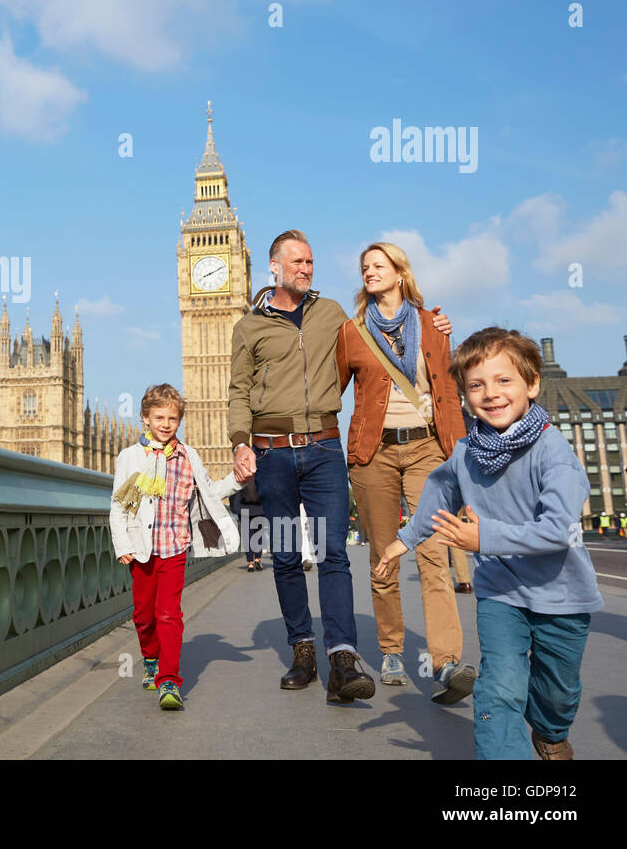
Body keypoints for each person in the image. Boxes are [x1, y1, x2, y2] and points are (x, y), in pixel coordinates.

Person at [229, 230, 453, 703]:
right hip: (272, 452)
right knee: (286, 555)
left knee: (333, 552)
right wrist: (239, 443)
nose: (305, 268)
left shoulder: (333, 315)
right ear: (274, 267)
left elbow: (386, 332)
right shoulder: (249, 327)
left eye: (310, 261)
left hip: (325, 448)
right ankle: (302, 649)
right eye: (297, 261)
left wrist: (433, 322)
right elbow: (239, 391)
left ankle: (343, 657)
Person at [376, 328, 603, 760]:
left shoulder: (553, 451)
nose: (491, 393)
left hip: (563, 594)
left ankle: (551, 733)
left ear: (531, 384)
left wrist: (485, 538)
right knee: (499, 687)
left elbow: (558, 529)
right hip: (501, 591)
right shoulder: (466, 452)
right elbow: (439, 495)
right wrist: (403, 540)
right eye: (477, 385)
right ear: (464, 396)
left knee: (556, 693)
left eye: (503, 380)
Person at [336, 242, 475, 702]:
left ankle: (445, 661)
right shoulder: (352, 332)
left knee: (434, 552)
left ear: (400, 273)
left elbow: (448, 393)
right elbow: (331, 392)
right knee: (384, 554)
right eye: (365, 267)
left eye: (378, 265)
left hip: (426, 449)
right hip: (374, 453)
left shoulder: (433, 325)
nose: (369, 272)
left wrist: (459, 453)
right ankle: (392, 649)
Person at [110, 383, 241, 711]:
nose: (166, 424)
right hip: (142, 549)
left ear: (179, 421)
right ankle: (150, 658)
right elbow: (119, 505)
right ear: (145, 418)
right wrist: (122, 543)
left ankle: (169, 679)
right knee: (144, 615)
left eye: (172, 418)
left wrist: (237, 479)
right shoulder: (131, 457)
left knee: (169, 614)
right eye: (159, 417)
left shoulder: (188, 456)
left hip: (175, 548)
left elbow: (209, 491)